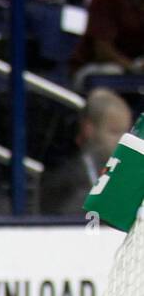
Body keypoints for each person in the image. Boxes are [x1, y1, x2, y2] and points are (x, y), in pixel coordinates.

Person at [41, 88, 134, 216]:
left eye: (126, 132)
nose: (123, 140)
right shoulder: (65, 178)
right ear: (88, 129)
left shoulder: (128, 173)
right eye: (115, 131)